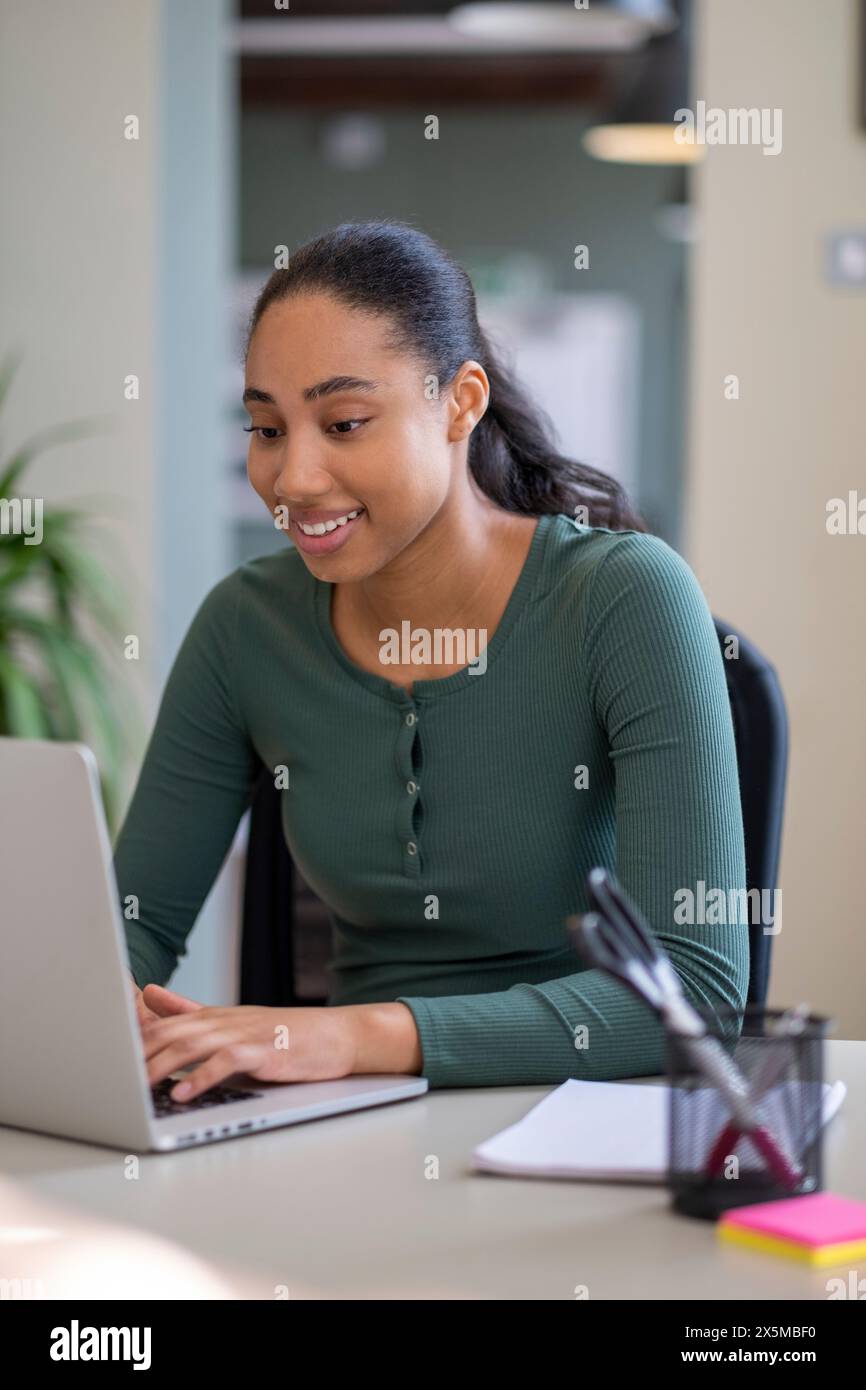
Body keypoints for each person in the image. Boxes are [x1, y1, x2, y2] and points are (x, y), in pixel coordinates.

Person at [116, 218, 747, 1103]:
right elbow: (129, 928)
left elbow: (695, 995)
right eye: (266, 428)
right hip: (345, 1129)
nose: (293, 479)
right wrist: (107, 1017)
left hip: (587, 1117)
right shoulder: (245, 627)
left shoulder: (625, 599)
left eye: (344, 422)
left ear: (460, 401)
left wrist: (354, 1036)